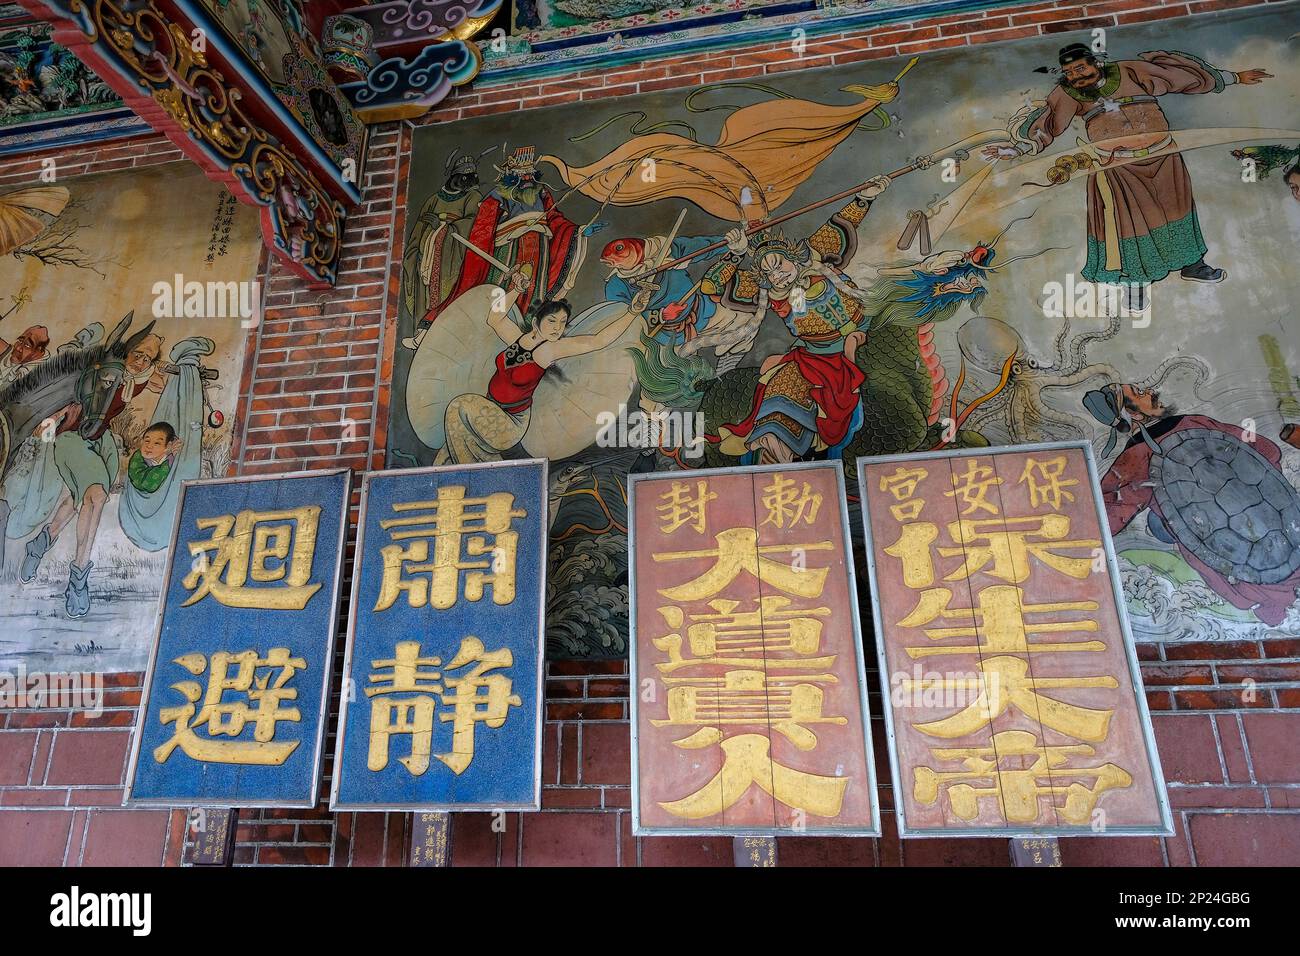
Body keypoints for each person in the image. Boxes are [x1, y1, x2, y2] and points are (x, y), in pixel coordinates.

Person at [990, 43, 1271, 289]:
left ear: (1095, 63)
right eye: (1070, 73)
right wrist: (1018, 148)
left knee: (1178, 211)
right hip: (1120, 168)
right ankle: (1136, 278)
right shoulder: (1067, 94)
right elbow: (1048, 125)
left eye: (1080, 68)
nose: (1076, 76)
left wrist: (1233, 77)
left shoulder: (1128, 71)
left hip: (1164, 157)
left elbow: (1179, 78)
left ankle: (1192, 264)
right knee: (1130, 223)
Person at [1084, 381, 1300, 627]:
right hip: (1263, 513)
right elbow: (1265, 450)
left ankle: (1273, 604)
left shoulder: (1136, 455)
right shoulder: (1190, 425)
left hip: (1232, 525)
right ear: (1132, 412)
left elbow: (1112, 507)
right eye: (1140, 392)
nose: (1150, 392)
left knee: (1230, 573)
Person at [21, 331, 166, 618]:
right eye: (136, 353)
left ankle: (40, 544)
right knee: (96, 497)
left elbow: (161, 381)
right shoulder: (101, 370)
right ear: (125, 350)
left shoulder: (138, 379)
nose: (139, 361)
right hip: (72, 437)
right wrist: (51, 419)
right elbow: (70, 394)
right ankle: (78, 580)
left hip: (102, 441)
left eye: (146, 358)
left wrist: (158, 367)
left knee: (79, 501)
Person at [436, 270, 649, 464]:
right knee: (445, 454)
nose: (558, 328)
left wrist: (631, 313)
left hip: (509, 423)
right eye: (552, 321)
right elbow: (494, 318)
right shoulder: (517, 339)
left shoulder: (550, 350)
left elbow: (598, 341)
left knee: (459, 406)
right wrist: (516, 290)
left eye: (563, 323)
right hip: (488, 410)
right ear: (537, 321)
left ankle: (469, 470)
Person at [411, 146, 585, 351]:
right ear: (512, 175)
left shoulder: (542, 193)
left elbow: (555, 219)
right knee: (500, 291)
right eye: (523, 174)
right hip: (509, 250)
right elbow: (484, 225)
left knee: (533, 292)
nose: (528, 178)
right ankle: (489, 337)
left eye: (530, 173)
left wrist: (578, 231)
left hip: (539, 251)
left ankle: (530, 335)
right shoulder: (499, 193)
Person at [127, 421, 182, 494]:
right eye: (147, 441)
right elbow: (147, 484)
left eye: (157, 443)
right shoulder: (137, 459)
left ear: (168, 446)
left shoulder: (175, 459)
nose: (149, 446)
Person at [0, 324, 49, 389]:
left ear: (39, 353)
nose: (18, 348)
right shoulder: (8, 353)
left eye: (27, 345)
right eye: (20, 341)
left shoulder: (33, 373)